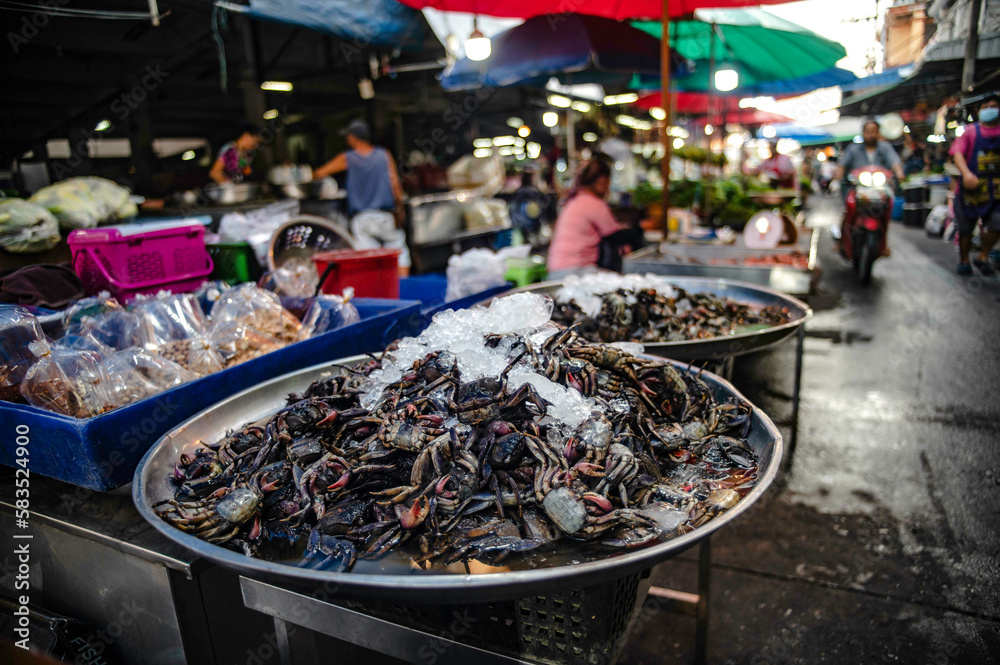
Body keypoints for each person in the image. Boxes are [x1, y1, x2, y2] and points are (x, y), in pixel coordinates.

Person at [314, 119, 409, 275]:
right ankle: (403, 287)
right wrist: (400, 208)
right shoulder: (383, 155)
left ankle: (380, 293)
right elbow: (395, 185)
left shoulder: (348, 157)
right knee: (399, 252)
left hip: (363, 219)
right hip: (386, 215)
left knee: (370, 261)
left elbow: (319, 173)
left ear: (353, 137)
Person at [546, 158, 627, 278]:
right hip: (575, 271)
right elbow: (614, 236)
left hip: (555, 269)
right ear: (601, 181)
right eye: (608, 182)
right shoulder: (594, 203)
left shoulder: (576, 199)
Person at [834, 121, 905, 255]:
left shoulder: (885, 148)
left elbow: (895, 162)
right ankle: (841, 241)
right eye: (868, 131)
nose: (871, 135)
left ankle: (884, 244)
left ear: (878, 133)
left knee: (888, 206)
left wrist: (900, 173)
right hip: (857, 189)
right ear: (863, 133)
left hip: (879, 190)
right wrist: (838, 173)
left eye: (874, 131)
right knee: (848, 208)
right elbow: (842, 165)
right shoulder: (853, 149)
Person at [949, 93, 1000, 276]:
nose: (990, 111)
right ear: (978, 111)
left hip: (996, 190)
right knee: (965, 229)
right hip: (970, 190)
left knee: (997, 224)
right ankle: (964, 261)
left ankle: (982, 256)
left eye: (994, 106)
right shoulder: (970, 131)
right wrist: (967, 174)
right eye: (986, 107)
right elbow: (957, 153)